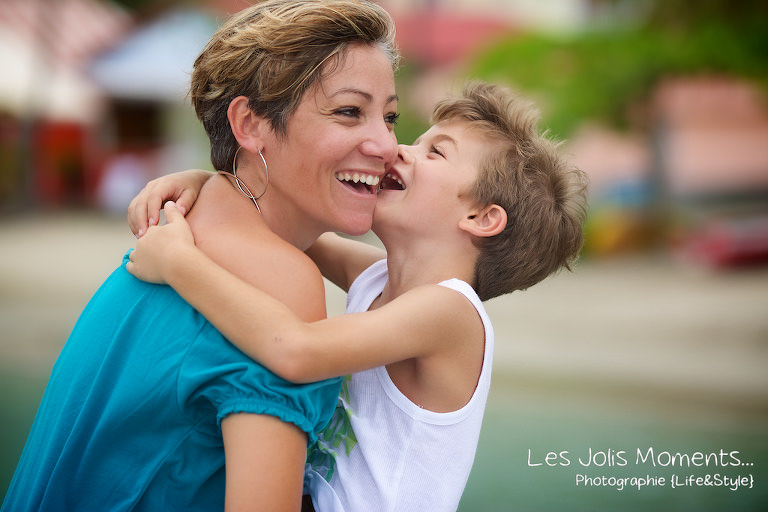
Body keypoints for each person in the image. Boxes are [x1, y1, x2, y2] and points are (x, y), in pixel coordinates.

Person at [1, 1, 400, 510]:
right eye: (349, 111)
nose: (387, 144)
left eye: (389, 116)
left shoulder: (185, 226)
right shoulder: (278, 277)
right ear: (250, 124)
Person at [126, 81, 590, 511]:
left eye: (435, 153)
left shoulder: (450, 313)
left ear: (481, 218)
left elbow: (296, 350)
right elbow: (278, 220)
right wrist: (209, 183)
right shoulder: (381, 279)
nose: (398, 149)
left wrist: (178, 264)